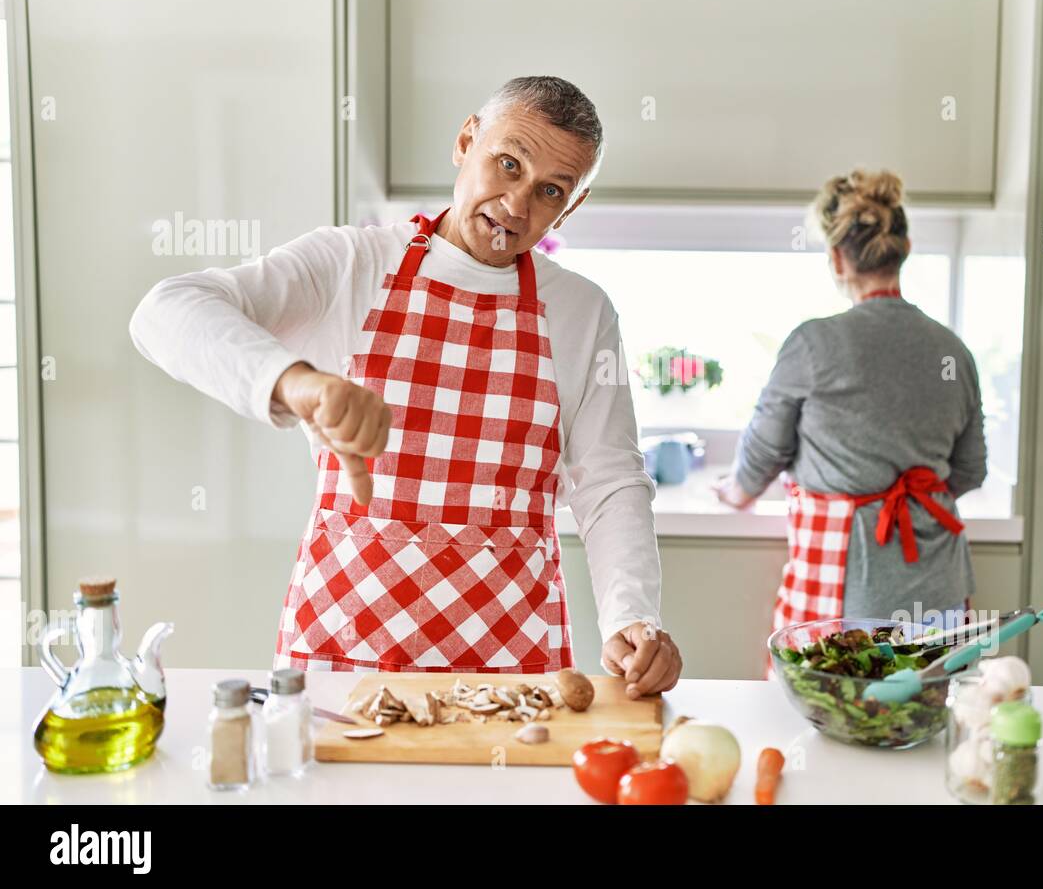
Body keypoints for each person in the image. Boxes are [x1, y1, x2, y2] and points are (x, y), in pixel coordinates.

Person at [130, 76, 681, 698]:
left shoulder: (582, 310)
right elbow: (165, 311)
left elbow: (609, 479)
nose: (516, 205)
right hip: (345, 648)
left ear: (570, 207)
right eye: (507, 163)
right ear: (466, 139)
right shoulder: (348, 264)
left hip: (507, 657)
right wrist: (297, 384)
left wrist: (633, 617)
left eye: (549, 191)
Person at [715, 168, 987, 639]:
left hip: (846, 585)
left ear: (838, 258)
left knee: (828, 705)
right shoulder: (953, 350)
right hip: (940, 585)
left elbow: (765, 451)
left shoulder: (816, 343)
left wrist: (735, 491)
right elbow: (970, 470)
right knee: (927, 706)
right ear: (903, 250)